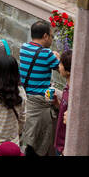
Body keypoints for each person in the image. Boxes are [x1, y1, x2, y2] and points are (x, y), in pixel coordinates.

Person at [18, 19, 61, 155]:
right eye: (52, 36)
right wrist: (57, 56)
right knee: (41, 140)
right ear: (45, 36)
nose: (52, 40)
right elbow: (62, 69)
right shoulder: (47, 54)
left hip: (26, 96)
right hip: (40, 101)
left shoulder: (24, 47)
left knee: (29, 135)